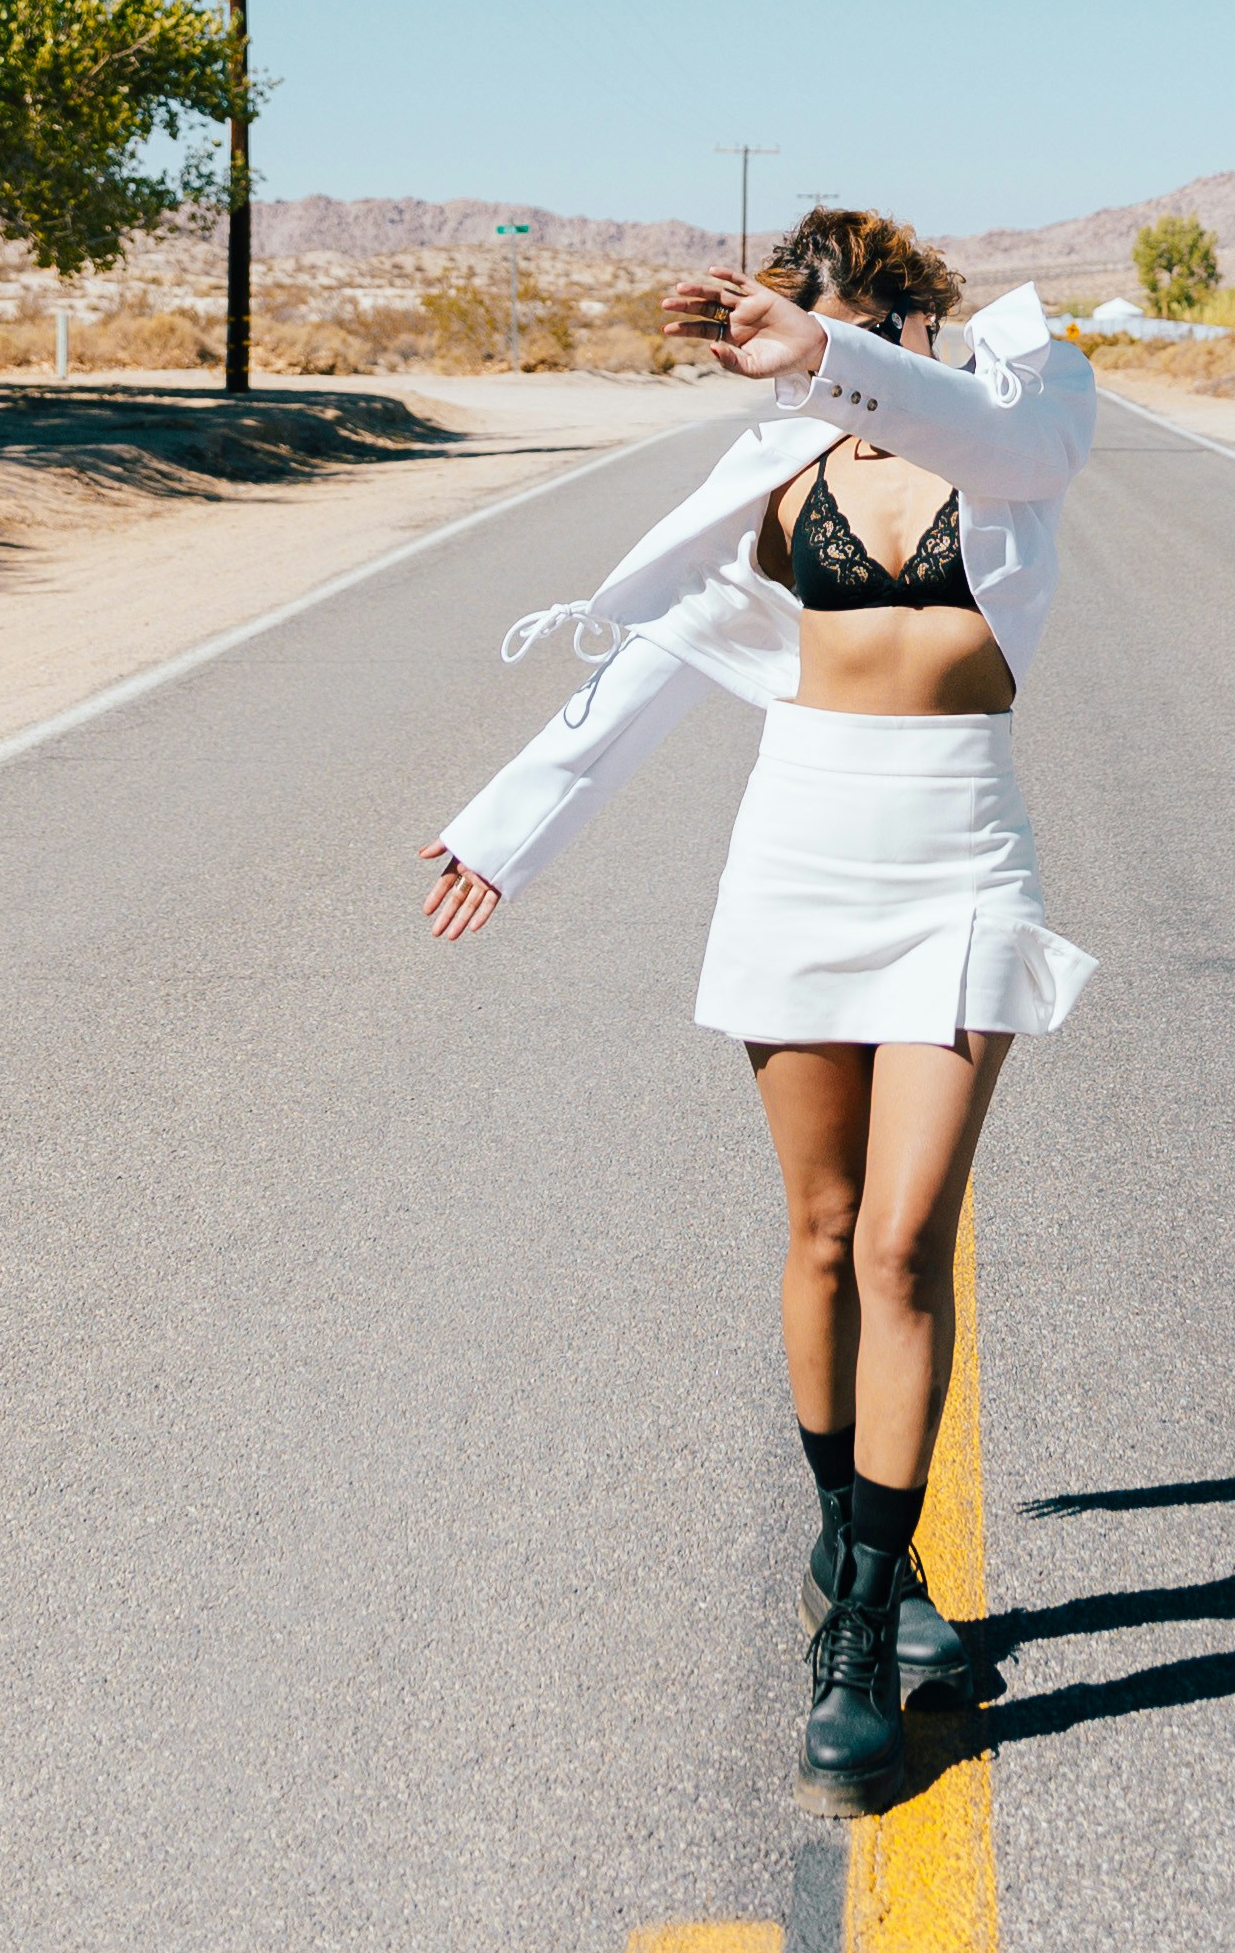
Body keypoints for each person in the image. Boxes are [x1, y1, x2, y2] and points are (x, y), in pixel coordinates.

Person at [419, 207, 1097, 1794]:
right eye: (787, 340)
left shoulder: (1022, 392)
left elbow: (1016, 447)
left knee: (906, 1244)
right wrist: (508, 829)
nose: (801, 363)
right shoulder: (778, 460)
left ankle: (855, 1626)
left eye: (830, 332)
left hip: (960, 850)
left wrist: (833, 356)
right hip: (803, 842)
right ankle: (860, 1558)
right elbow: (661, 653)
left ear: (905, 317)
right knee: (823, 1228)